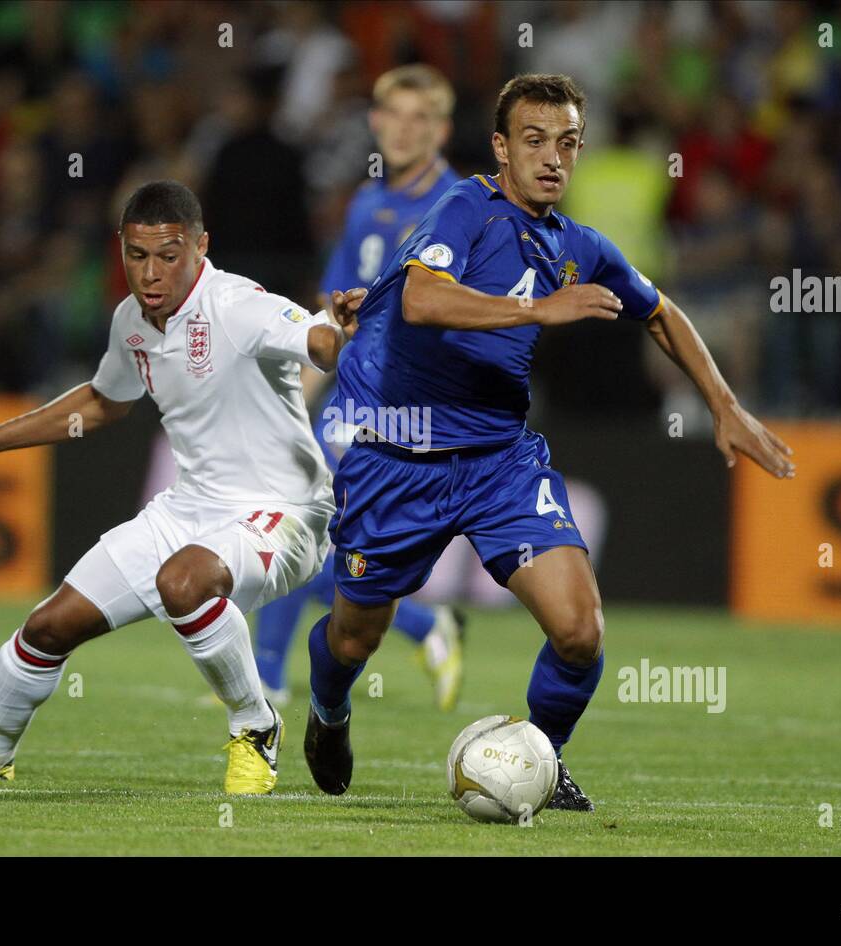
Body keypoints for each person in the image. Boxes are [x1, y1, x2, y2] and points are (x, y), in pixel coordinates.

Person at [303, 74, 795, 810]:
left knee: (579, 631)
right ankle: (329, 710)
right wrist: (538, 308)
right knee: (352, 640)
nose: (552, 157)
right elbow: (422, 298)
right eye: (533, 140)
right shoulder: (466, 207)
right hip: (397, 457)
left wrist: (726, 407)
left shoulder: (578, 246)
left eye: (567, 143)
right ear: (502, 148)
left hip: (499, 462)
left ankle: (542, 756)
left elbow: (661, 311)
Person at [0, 180, 365, 795]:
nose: (150, 272)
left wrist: (339, 327)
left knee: (183, 583)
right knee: (47, 628)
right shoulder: (130, 322)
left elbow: (318, 345)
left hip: (284, 511)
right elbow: (102, 402)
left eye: (168, 255)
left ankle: (255, 726)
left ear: (200, 246)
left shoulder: (237, 304)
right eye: (137, 255)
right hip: (187, 509)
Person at [254, 63, 466, 711]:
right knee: (298, 527)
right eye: (393, 115)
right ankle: (269, 677)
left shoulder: (458, 208)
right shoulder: (367, 203)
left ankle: (419, 626)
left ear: (441, 130)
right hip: (351, 398)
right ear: (374, 122)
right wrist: (296, 397)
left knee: (311, 538)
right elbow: (334, 316)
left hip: (412, 407)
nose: (403, 130)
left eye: (419, 118)